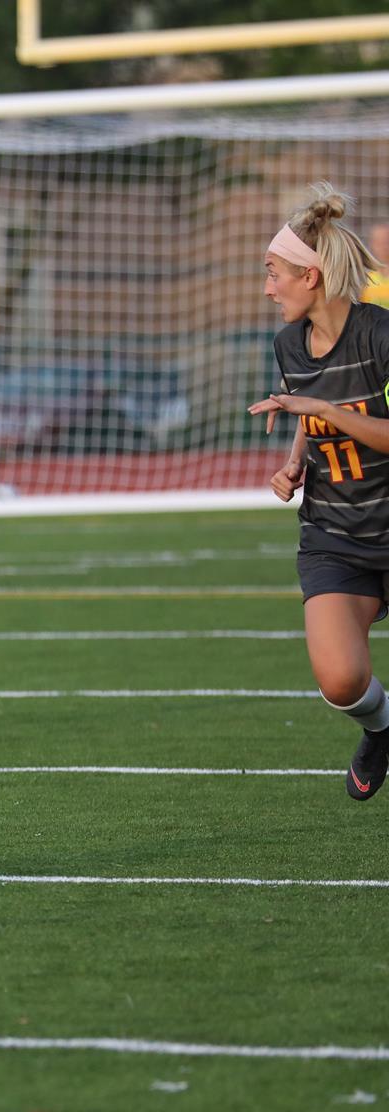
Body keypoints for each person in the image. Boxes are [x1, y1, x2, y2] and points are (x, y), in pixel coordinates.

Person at [250, 184, 389, 799]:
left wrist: (323, 410)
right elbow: (310, 417)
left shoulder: (381, 335)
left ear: (310, 276)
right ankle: (383, 728)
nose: (268, 287)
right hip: (335, 533)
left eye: (274, 273)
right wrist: (293, 463)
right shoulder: (287, 345)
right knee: (340, 681)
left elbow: (329, 409)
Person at [364, 223, 389, 309]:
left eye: (386, 241)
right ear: (371, 244)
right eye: (379, 242)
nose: (384, 247)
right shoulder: (363, 278)